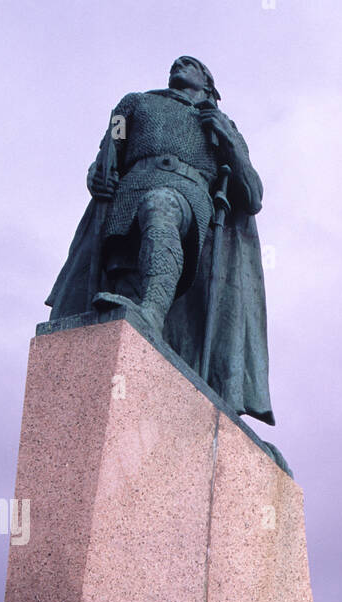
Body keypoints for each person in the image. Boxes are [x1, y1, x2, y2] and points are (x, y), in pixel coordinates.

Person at [46, 57, 274, 425]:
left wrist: (228, 139)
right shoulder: (133, 104)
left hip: (189, 195)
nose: (181, 62)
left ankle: (151, 312)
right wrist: (96, 172)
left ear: (210, 84)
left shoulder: (223, 126)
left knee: (161, 205)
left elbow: (254, 195)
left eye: (194, 64)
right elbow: (111, 145)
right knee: (122, 282)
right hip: (131, 190)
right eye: (179, 60)